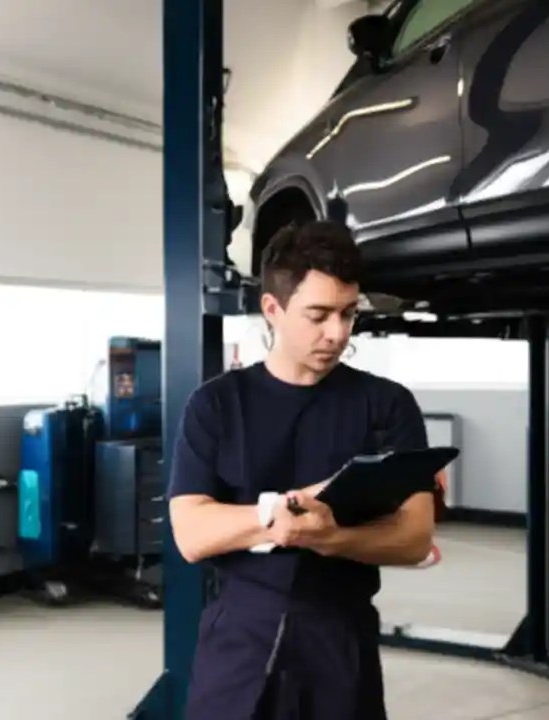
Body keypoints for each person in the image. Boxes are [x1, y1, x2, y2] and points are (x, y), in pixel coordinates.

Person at [167, 219, 437, 720]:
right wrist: (279, 515)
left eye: (348, 313)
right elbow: (191, 533)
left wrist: (330, 537)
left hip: (341, 639)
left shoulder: (387, 406)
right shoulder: (217, 405)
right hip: (240, 638)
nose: (337, 333)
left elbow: (415, 537)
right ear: (273, 309)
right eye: (318, 315)